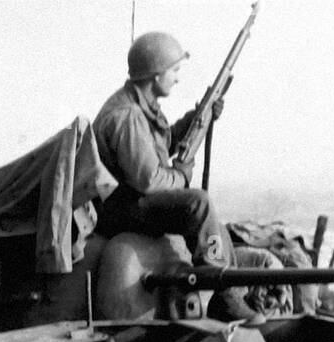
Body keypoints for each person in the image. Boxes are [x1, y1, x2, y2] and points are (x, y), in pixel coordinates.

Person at [93, 31, 264, 325]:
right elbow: (150, 180)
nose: (177, 78)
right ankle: (220, 292)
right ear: (156, 75)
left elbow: (160, 146)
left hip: (131, 200)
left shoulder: (139, 107)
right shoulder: (127, 116)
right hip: (119, 208)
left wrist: (198, 117)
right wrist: (181, 176)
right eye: (174, 71)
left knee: (215, 230)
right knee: (199, 204)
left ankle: (222, 284)